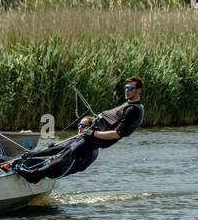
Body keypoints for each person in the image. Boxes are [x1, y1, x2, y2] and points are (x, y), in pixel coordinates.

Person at [13, 77, 144, 183]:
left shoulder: (132, 110)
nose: (127, 91)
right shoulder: (130, 105)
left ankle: (35, 176)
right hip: (93, 133)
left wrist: (92, 133)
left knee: (68, 153)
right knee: (59, 148)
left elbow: (116, 134)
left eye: (130, 88)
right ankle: (28, 158)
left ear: (138, 91)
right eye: (125, 88)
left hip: (95, 138)